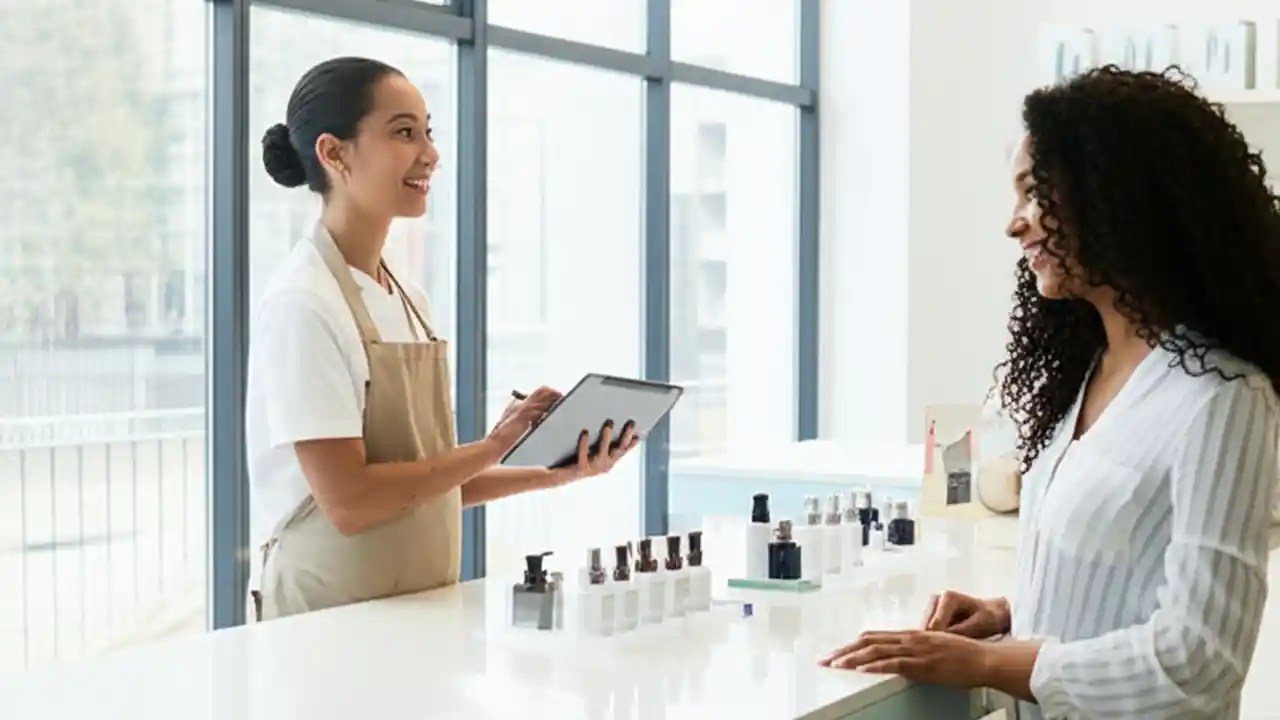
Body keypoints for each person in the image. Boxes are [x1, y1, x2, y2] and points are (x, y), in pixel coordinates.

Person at [821, 66, 1280, 718]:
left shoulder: (1224, 398)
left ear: (1115, 196)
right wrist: (1011, 615)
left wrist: (989, 664)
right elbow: (1122, 577)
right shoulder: (1091, 373)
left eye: (1034, 194)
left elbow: (1199, 659)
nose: (1016, 224)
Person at [244, 57, 638, 620]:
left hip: (414, 612)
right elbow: (351, 502)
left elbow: (423, 488)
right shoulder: (303, 303)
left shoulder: (406, 298)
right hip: (326, 619)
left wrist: (554, 472)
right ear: (334, 154)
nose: (429, 152)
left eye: (428, 131)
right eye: (404, 132)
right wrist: (493, 444)